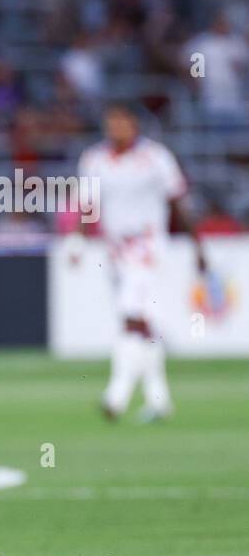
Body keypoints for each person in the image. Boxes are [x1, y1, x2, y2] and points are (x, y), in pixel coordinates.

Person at [77, 103, 202, 421]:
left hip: (147, 248)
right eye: (111, 122)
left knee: (132, 319)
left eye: (121, 121)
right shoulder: (94, 160)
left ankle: (115, 396)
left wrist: (198, 247)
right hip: (115, 251)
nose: (115, 128)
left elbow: (177, 203)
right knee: (144, 324)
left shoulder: (156, 158)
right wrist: (78, 240)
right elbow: (88, 205)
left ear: (134, 124)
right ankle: (159, 400)